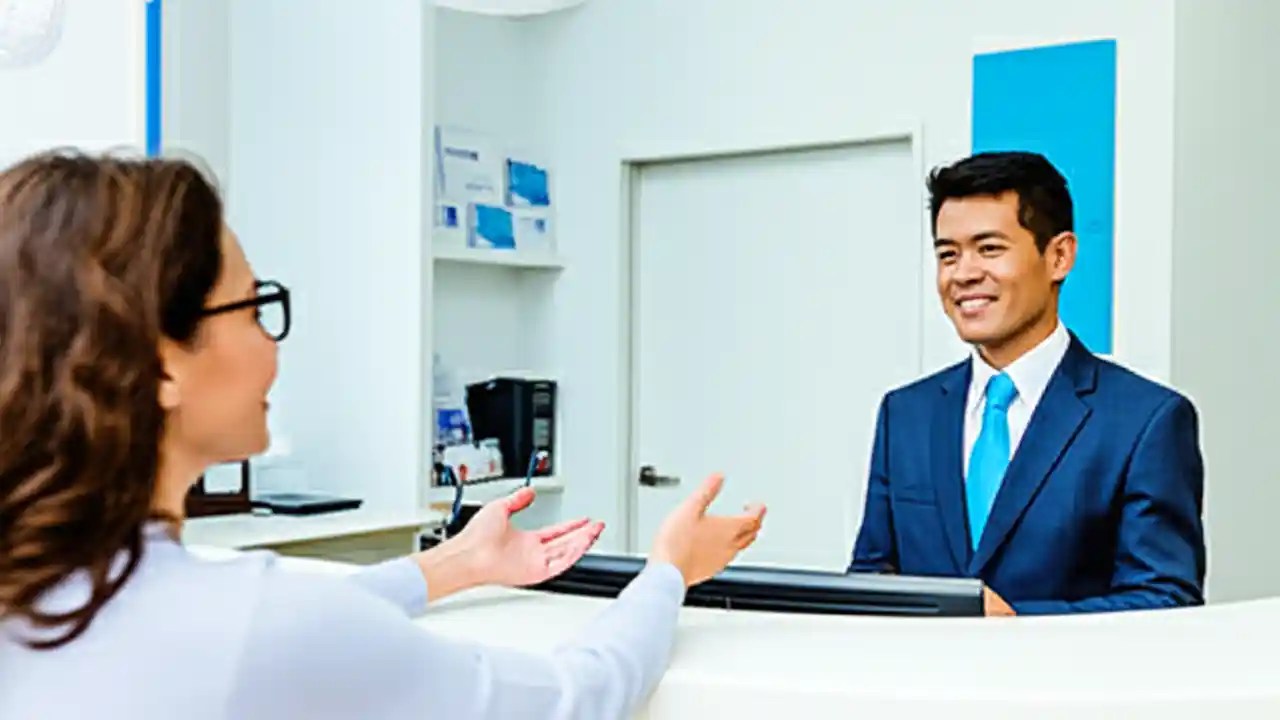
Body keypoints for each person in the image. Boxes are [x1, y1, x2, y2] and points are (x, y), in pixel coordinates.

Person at [0, 150, 767, 719]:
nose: (274, 343)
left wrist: (449, 567)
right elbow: (573, 698)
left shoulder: (44, 595)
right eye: (254, 308)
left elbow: (278, 636)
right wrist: (669, 571)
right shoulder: (248, 628)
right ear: (162, 361)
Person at [848, 151, 1205, 616]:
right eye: (947, 254)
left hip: (1066, 686)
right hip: (926, 686)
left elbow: (1165, 600)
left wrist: (1015, 623)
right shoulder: (906, 414)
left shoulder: (1146, 421)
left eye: (989, 248)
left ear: (1059, 256)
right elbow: (872, 578)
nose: (964, 273)